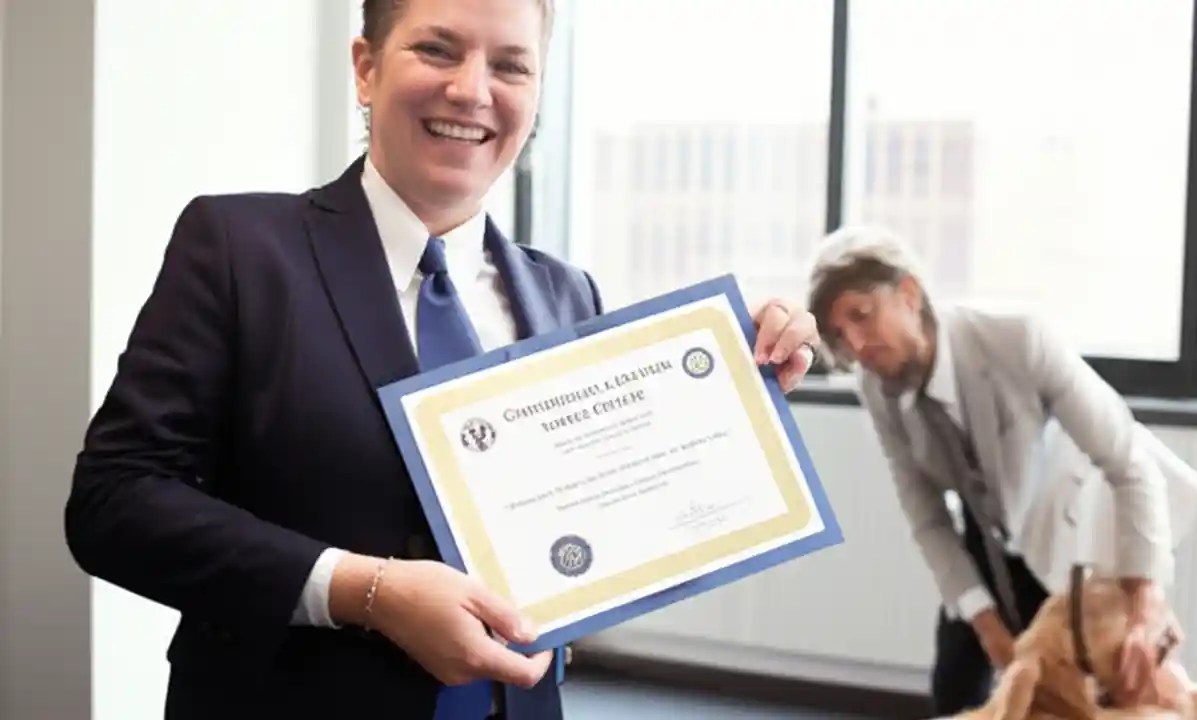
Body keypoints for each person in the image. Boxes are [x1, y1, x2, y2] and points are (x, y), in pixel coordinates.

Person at [62, 1, 820, 718]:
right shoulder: (240, 249)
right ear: (366, 67)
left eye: (512, 66)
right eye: (437, 48)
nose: (472, 90)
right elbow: (114, 503)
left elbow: (618, 514)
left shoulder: (566, 294)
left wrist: (735, 375)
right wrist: (365, 590)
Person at [805, 225, 1197, 716]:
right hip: (986, 530)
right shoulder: (876, 388)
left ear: (908, 292)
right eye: (840, 335)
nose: (856, 345)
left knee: (1079, 699)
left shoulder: (1018, 337)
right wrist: (985, 622)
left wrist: (1145, 599)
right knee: (956, 685)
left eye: (861, 317)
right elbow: (926, 516)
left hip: (1067, 529)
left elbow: (1127, 462)